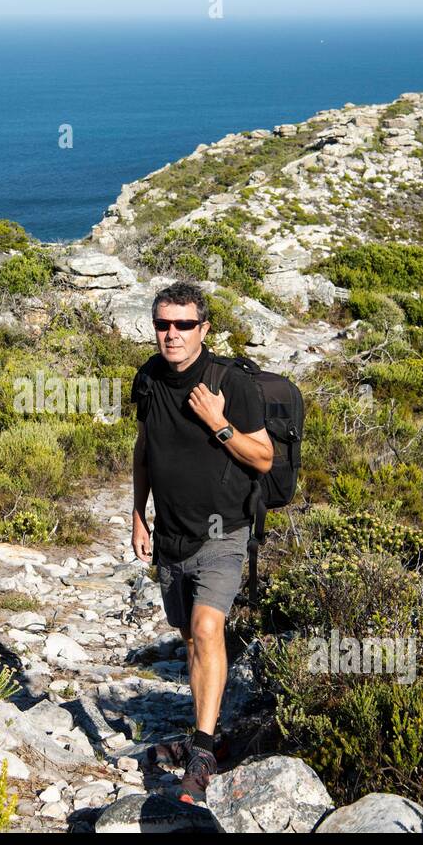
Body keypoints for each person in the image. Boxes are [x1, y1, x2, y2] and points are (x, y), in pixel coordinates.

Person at [130, 282, 272, 803]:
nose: (172, 334)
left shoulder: (230, 383)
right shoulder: (147, 378)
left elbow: (262, 458)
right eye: (163, 324)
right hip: (170, 534)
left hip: (223, 532)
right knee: (189, 639)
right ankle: (203, 734)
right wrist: (138, 516)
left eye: (183, 325)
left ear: (204, 329)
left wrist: (218, 423)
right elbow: (144, 449)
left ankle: (204, 751)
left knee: (207, 628)